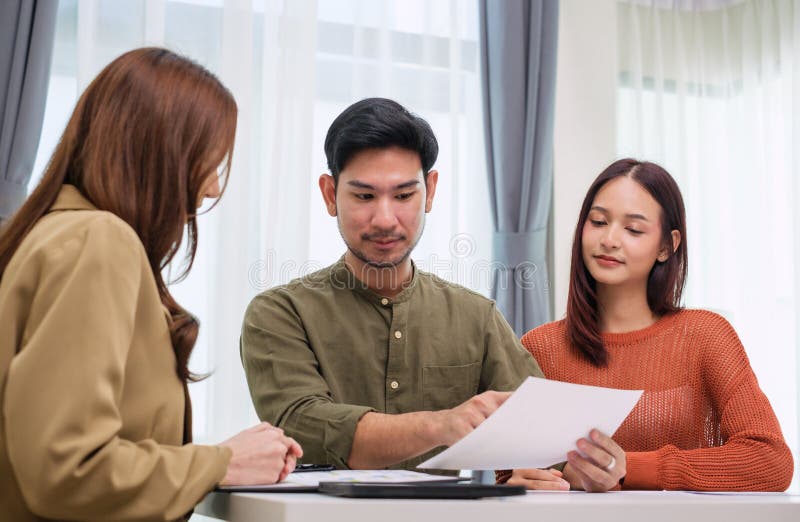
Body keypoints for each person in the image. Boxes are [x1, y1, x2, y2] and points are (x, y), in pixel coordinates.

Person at [0, 48, 302, 521]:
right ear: (161, 152)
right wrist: (221, 463)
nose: (212, 189)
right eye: (209, 160)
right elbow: (68, 469)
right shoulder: (97, 241)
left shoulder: (46, 234)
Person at [240, 97, 561, 476]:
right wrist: (440, 425)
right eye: (364, 196)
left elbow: (543, 436)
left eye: (404, 195)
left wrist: (567, 468)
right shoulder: (279, 313)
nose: (385, 218)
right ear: (330, 195)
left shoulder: (476, 316)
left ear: (431, 190)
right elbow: (302, 425)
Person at [502, 158, 793, 492]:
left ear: (667, 246)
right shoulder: (540, 346)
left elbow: (771, 461)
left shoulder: (706, 335)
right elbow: (513, 471)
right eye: (598, 222)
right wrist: (519, 480)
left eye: (633, 229)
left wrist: (629, 469)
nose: (609, 239)